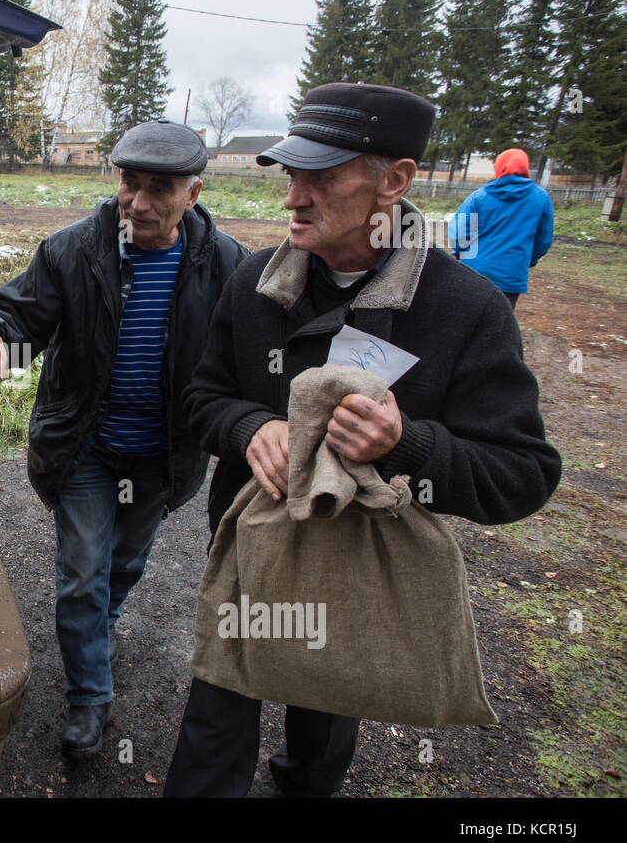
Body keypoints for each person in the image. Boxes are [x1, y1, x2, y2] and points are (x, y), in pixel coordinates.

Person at [165, 82, 561, 797]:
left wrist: (406, 445)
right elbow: (201, 399)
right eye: (292, 174)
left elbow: (522, 476)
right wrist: (248, 426)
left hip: (356, 578)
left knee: (319, 741)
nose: (294, 198)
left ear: (396, 181)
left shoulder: (464, 308)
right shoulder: (253, 280)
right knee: (212, 729)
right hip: (248, 559)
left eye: (322, 177)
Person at [0, 121, 248, 758]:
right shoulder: (73, 250)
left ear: (194, 192)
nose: (140, 203)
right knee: (82, 571)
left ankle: (105, 624)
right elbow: (20, 315)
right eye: (129, 182)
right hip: (85, 448)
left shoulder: (226, 263)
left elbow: (251, 349)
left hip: (163, 454)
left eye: (161, 188)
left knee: (126, 563)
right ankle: (89, 697)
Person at [448, 147, 554, 309]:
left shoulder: (479, 197)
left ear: (499, 167)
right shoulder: (541, 198)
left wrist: (460, 254)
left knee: (467, 320)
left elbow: (460, 232)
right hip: (511, 274)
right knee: (500, 324)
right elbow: (543, 238)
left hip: (475, 271)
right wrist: (529, 260)